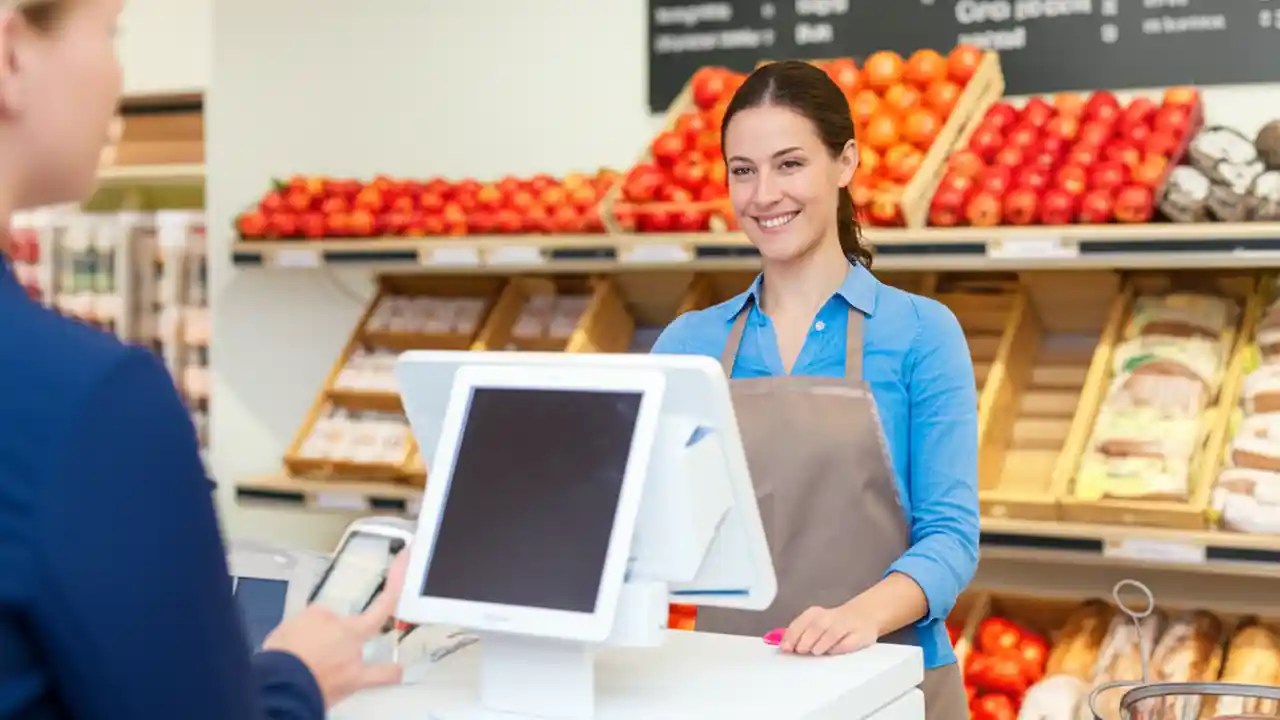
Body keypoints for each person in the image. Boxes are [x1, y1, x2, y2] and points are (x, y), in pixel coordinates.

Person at [0, 1, 405, 717]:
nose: (119, 76)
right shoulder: (94, 402)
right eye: (111, 34)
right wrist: (294, 677)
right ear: (10, 56)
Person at [652, 60, 978, 719]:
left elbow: (950, 538)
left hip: (893, 684)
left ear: (845, 162)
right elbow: (633, 514)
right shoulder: (689, 345)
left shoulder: (921, 333)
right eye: (743, 170)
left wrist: (858, 618)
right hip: (731, 685)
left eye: (789, 164)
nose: (763, 193)